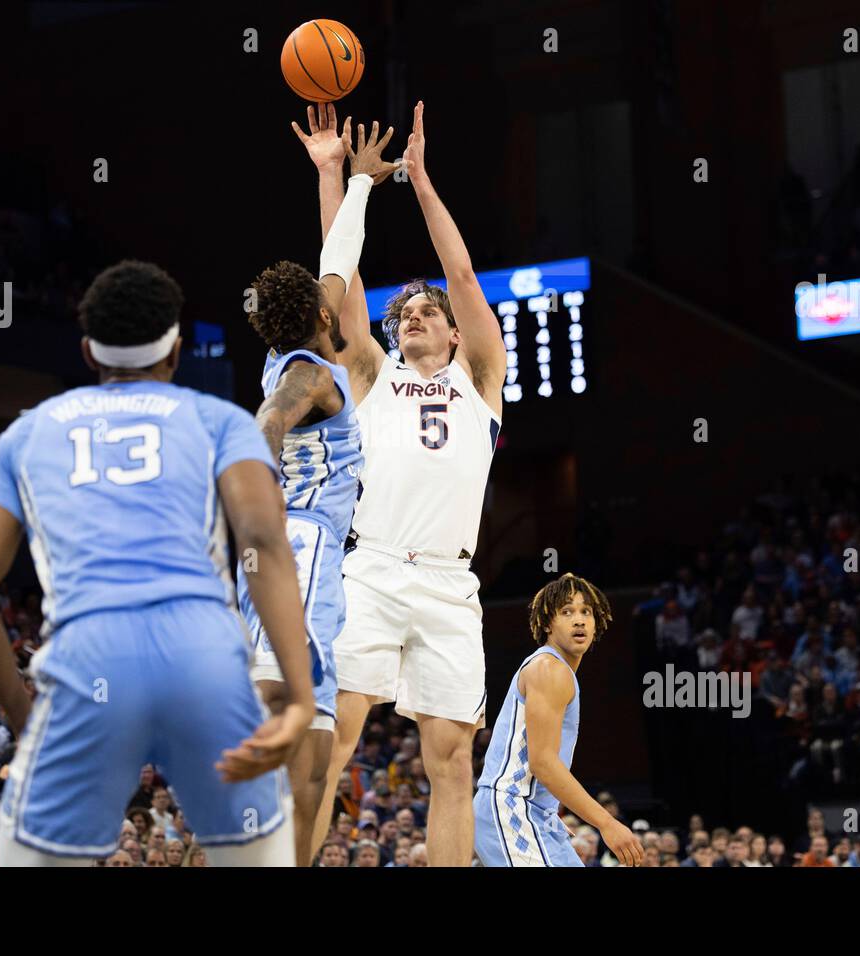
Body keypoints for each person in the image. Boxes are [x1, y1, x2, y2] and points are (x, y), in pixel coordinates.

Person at [0, 259, 315, 866]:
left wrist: (22, 709)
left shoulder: (26, 433)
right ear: (174, 349)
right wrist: (297, 696)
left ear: (88, 352)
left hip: (88, 664)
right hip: (206, 664)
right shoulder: (218, 419)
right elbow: (263, 539)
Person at [312, 101, 509, 867]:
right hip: (371, 568)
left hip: (450, 584)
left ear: (458, 330)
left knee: (453, 763)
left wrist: (421, 181)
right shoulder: (372, 374)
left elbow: (460, 271)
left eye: (430, 312)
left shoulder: (482, 378)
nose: (417, 316)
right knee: (334, 736)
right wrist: (336, 174)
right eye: (407, 314)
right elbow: (341, 275)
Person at [233, 105, 393, 866]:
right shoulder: (304, 376)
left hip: (316, 555)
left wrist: (351, 180)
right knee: (280, 708)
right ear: (319, 318)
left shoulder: (305, 344)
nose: (342, 305)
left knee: (318, 732)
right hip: (295, 540)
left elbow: (340, 250)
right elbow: (268, 419)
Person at [473, 573, 642, 867]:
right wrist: (606, 822)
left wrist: (547, 808)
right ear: (548, 623)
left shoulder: (556, 669)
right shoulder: (550, 670)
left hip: (535, 812)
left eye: (585, 612)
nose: (579, 620)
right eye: (567, 611)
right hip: (512, 805)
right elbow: (543, 762)